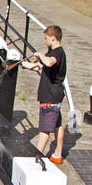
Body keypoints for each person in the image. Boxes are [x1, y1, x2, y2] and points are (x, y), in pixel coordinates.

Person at [24, 25, 67, 164]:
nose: (45, 41)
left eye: (46, 39)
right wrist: (24, 64)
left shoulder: (57, 53)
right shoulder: (53, 52)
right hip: (55, 96)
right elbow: (41, 66)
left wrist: (40, 54)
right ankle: (57, 154)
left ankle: (36, 158)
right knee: (57, 126)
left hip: (50, 96)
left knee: (44, 129)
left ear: (53, 38)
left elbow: (48, 62)